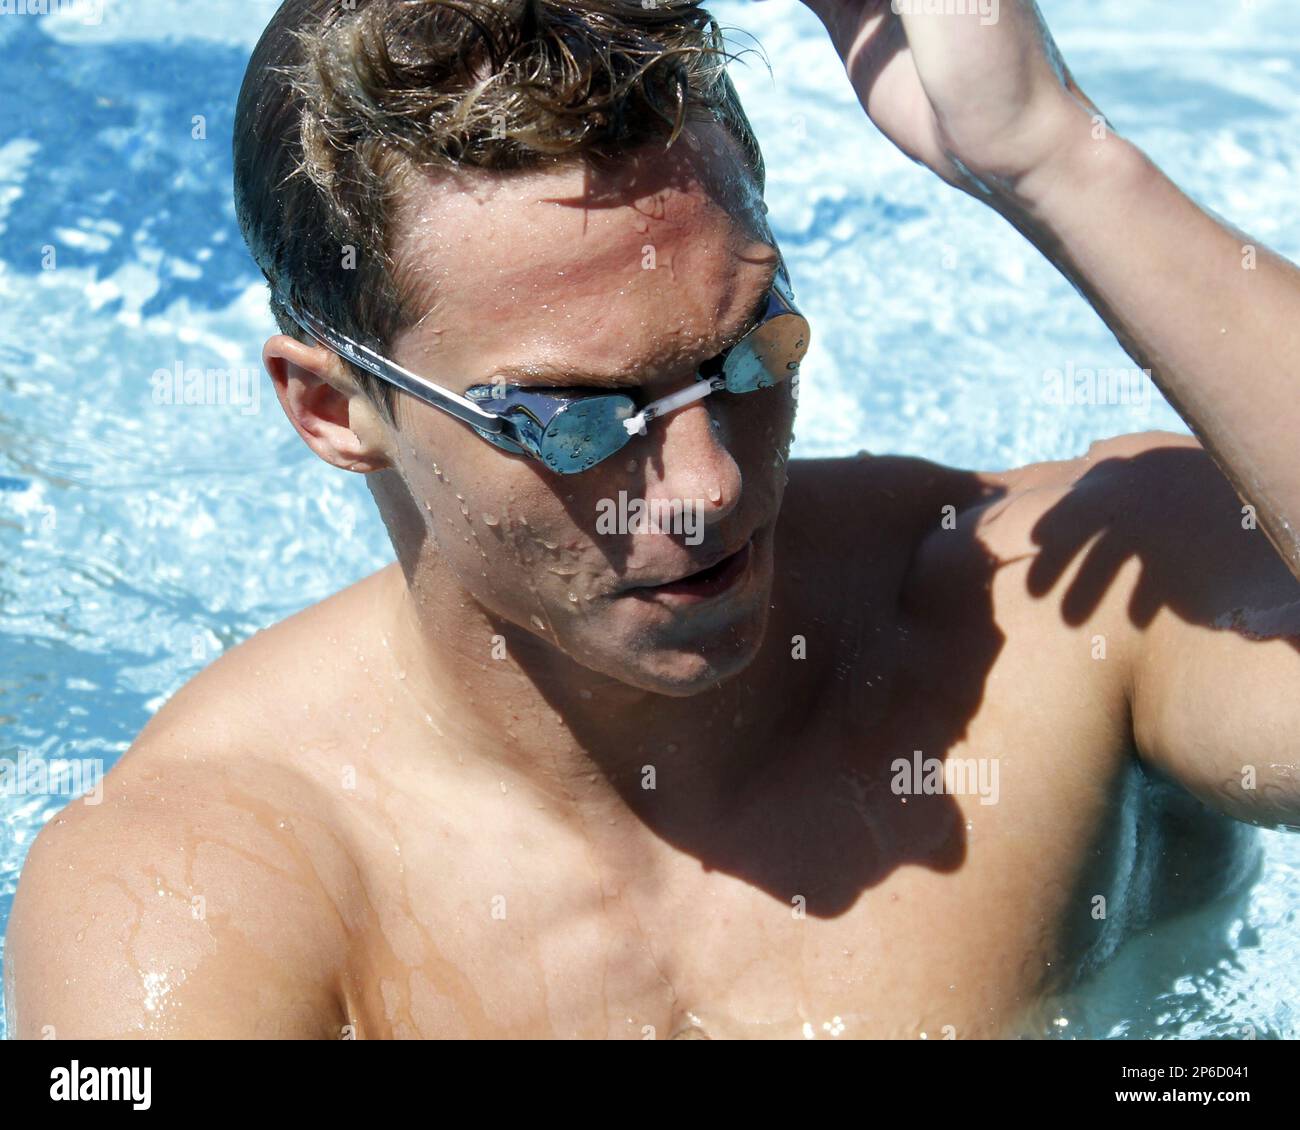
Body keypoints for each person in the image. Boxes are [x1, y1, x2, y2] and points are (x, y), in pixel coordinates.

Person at [6, 0, 1299, 1039]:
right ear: (334, 410)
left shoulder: (1050, 621)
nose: (708, 485)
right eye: (572, 418)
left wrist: (1055, 156)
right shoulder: (203, 896)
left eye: (744, 354)